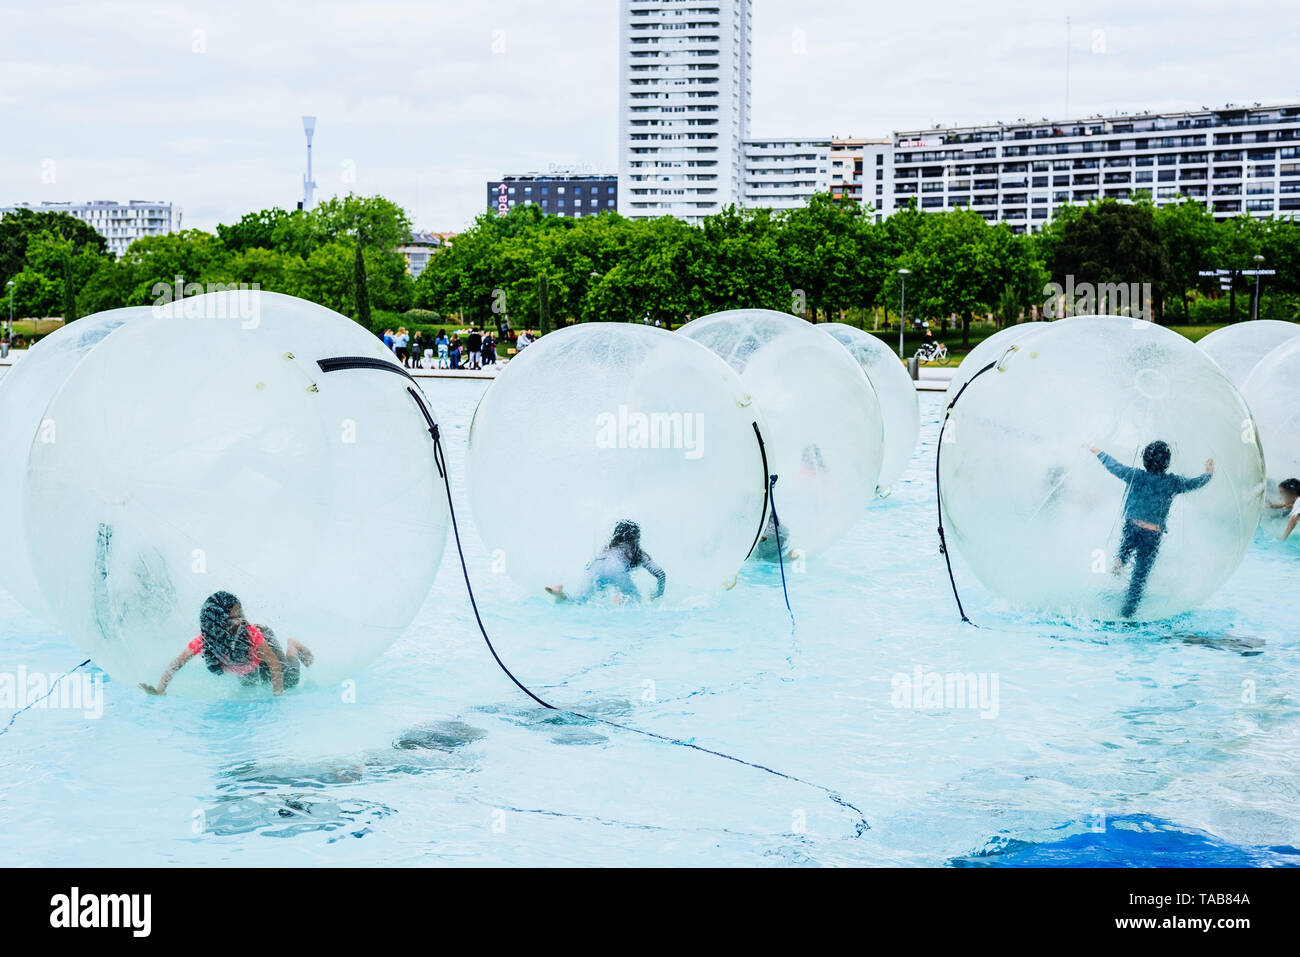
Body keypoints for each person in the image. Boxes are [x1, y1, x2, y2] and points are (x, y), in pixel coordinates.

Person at [1089, 440, 1214, 618]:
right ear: (1167, 462)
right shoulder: (1173, 482)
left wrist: (1098, 452)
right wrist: (1208, 474)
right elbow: (1193, 483)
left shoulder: (1136, 475)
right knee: (1138, 579)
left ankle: (1120, 559)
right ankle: (1126, 614)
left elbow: (1115, 467)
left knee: (1127, 543)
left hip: (1132, 526)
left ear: (1145, 460)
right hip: (1152, 534)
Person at [140, 591, 313, 696]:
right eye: (234, 618)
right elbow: (176, 664)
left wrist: (278, 698)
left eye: (241, 615)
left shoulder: (250, 634)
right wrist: (160, 689)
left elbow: (274, 663)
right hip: (248, 661)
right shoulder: (206, 641)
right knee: (249, 684)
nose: (241, 621)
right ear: (218, 623)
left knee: (289, 678)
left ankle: (293, 645)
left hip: (264, 639)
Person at [546, 520, 666, 604]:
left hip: (596, 565)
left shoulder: (608, 549)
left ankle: (559, 592)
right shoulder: (637, 552)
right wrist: (657, 595)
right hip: (616, 568)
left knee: (578, 601)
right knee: (636, 603)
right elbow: (660, 574)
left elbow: (599, 573)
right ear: (636, 537)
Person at [1266, 477, 1300, 541]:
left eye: (1282, 494)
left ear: (1292, 493)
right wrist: (1272, 506)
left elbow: (1293, 522)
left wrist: (1283, 539)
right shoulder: (1296, 501)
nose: (1281, 497)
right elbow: (1286, 505)